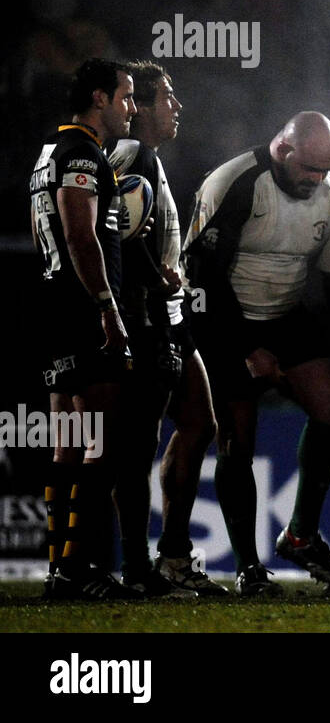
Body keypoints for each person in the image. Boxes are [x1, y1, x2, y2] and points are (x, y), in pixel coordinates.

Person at [183, 112, 330, 596]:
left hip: (286, 316)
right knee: (237, 440)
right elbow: (202, 280)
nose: (318, 179)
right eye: (310, 168)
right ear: (282, 150)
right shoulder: (235, 183)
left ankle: (300, 535)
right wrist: (248, 349)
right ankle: (248, 567)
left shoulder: (329, 192)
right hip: (224, 321)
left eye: (327, 169)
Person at [107, 60, 224, 596]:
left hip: (170, 321)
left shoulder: (146, 158)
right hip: (149, 320)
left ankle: (173, 555)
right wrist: (159, 282)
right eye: (167, 98)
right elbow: (122, 240)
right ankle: (137, 569)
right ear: (143, 109)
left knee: (200, 422)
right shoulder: (133, 155)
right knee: (139, 444)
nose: (177, 107)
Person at [32, 58, 136, 598]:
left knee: (68, 446)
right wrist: (107, 306)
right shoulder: (82, 153)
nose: (131, 108)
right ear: (101, 98)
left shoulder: (50, 149)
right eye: (126, 96)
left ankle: (59, 568)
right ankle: (76, 570)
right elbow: (80, 234)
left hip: (55, 310)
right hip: (84, 313)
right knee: (101, 444)